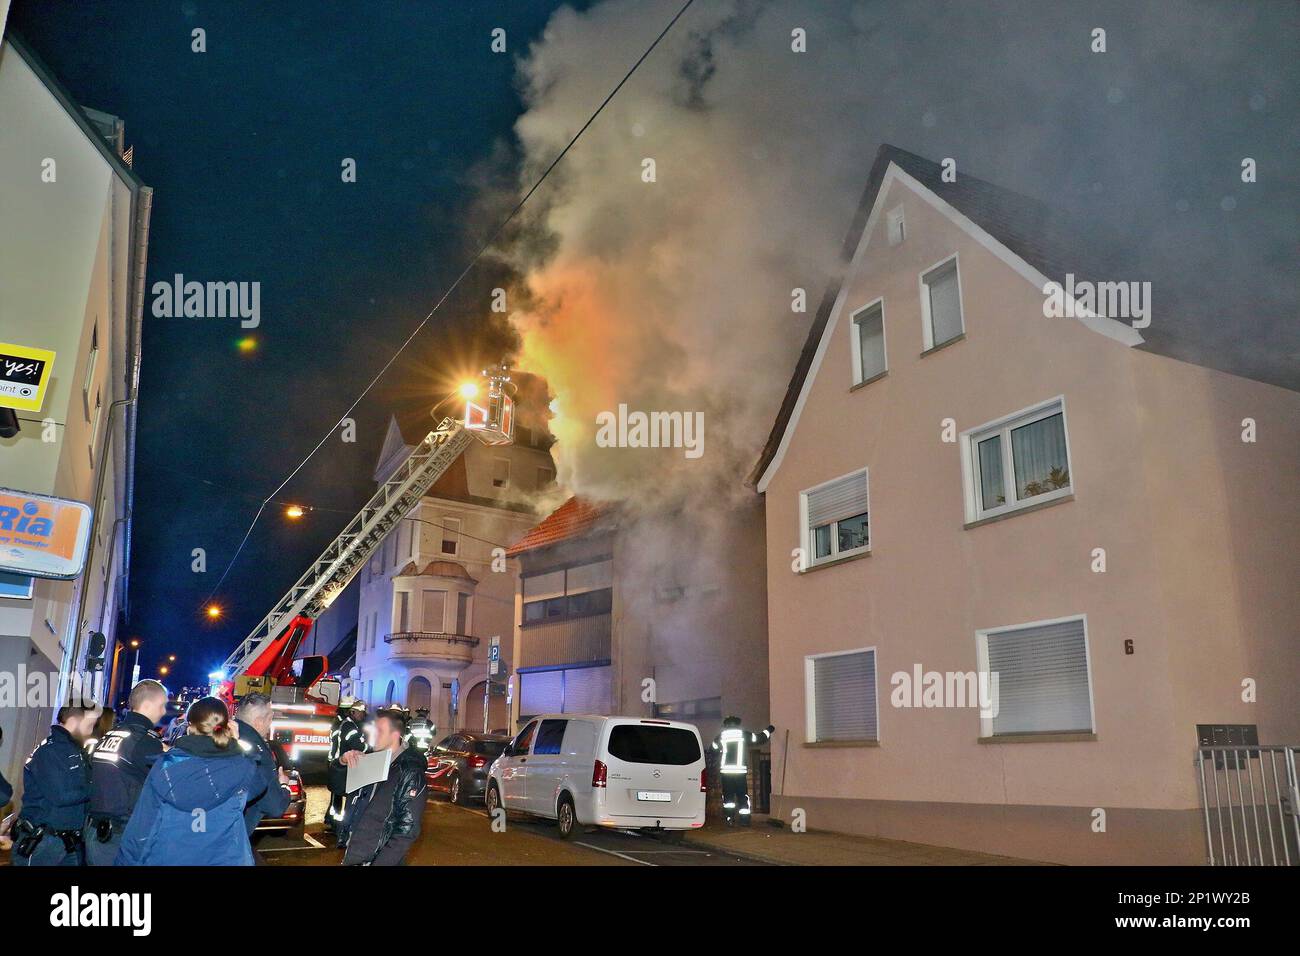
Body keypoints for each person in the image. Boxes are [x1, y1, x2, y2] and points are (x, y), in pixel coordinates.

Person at [115, 696, 258, 866]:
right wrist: (237, 744)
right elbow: (265, 787)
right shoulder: (241, 767)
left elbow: (142, 829)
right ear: (227, 727)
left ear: (189, 728)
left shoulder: (166, 767)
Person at [84, 680, 169, 866]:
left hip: (95, 832)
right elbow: (168, 785)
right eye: (162, 705)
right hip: (121, 836)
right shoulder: (145, 742)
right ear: (147, 705)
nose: (163, 711)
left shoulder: (109, 735)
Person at [12, 701, 100, 865]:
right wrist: (97, 788)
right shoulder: (49, 751)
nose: (90, 731)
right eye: (89, 724)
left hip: (67, 843)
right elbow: (61, 795)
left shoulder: (74, 750)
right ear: (74, 721)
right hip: (44, 843)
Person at [339, 706, 427, 866]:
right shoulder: (372, 761)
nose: (373, 735)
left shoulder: (409, 771)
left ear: (395, 735)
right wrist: (342, 762)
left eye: (379, 730)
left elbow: (408, 829)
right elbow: (337, 786)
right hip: (355, 855)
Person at [233, 693, 293, 837]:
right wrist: (284, 786)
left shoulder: (223, 738)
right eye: (270, 719)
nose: (270, 725)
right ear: (259, 722)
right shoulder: (258, 752)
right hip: (234, 839)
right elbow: (274, 807)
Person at [710, 717, 774, 826]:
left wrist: (722, 750)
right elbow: (759, 739)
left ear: (726, 725)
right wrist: (769, 730)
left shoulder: (721, 736)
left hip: (726, 773)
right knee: (742, 796)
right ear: (738, 724)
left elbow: (713, 749)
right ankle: (744, 820)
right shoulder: (743, 734)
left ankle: (729, 818)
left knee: (728, 797)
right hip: (739, 772)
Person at [326, 696, 367, 839]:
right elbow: (359, 746)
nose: (363, 714)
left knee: (336, 796)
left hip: (337, 763)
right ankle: (339, 827)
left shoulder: (340, 723)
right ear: (351, 711)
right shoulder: (349, 726)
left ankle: (332, 821)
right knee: (342, 796)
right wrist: (370, 746)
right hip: (343, 766)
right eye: (360, 711)